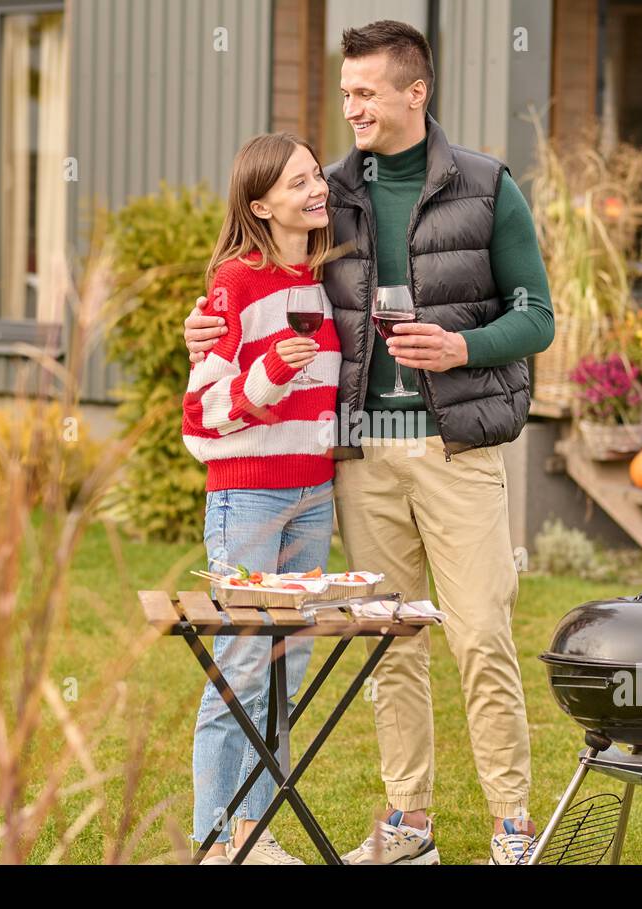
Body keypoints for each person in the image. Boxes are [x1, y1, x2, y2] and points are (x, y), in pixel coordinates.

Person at [184, 21, 555, 865]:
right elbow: (253, 277)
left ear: (413, 93)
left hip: (457, 451)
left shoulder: (487, 185)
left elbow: (537, 315)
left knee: (482, 636)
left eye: (364, 93)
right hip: (354, 458)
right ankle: (408, 828)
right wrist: (203, 331)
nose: (348, 107)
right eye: (344, 91)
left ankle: (513, 827)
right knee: (389, 641)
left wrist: (463, 347)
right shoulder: (329, 194)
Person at [182, 132, 340, 865]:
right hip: (247, 498)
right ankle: (215, 841)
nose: (316, 189)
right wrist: (271, 370)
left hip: (313, 494)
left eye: (316, 175)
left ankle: (255, 833)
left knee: (287, 674)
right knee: (243, 666)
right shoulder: (233, 284)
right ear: (259, 204)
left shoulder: (319, 279)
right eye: (298, 182)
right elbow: (202, 414)